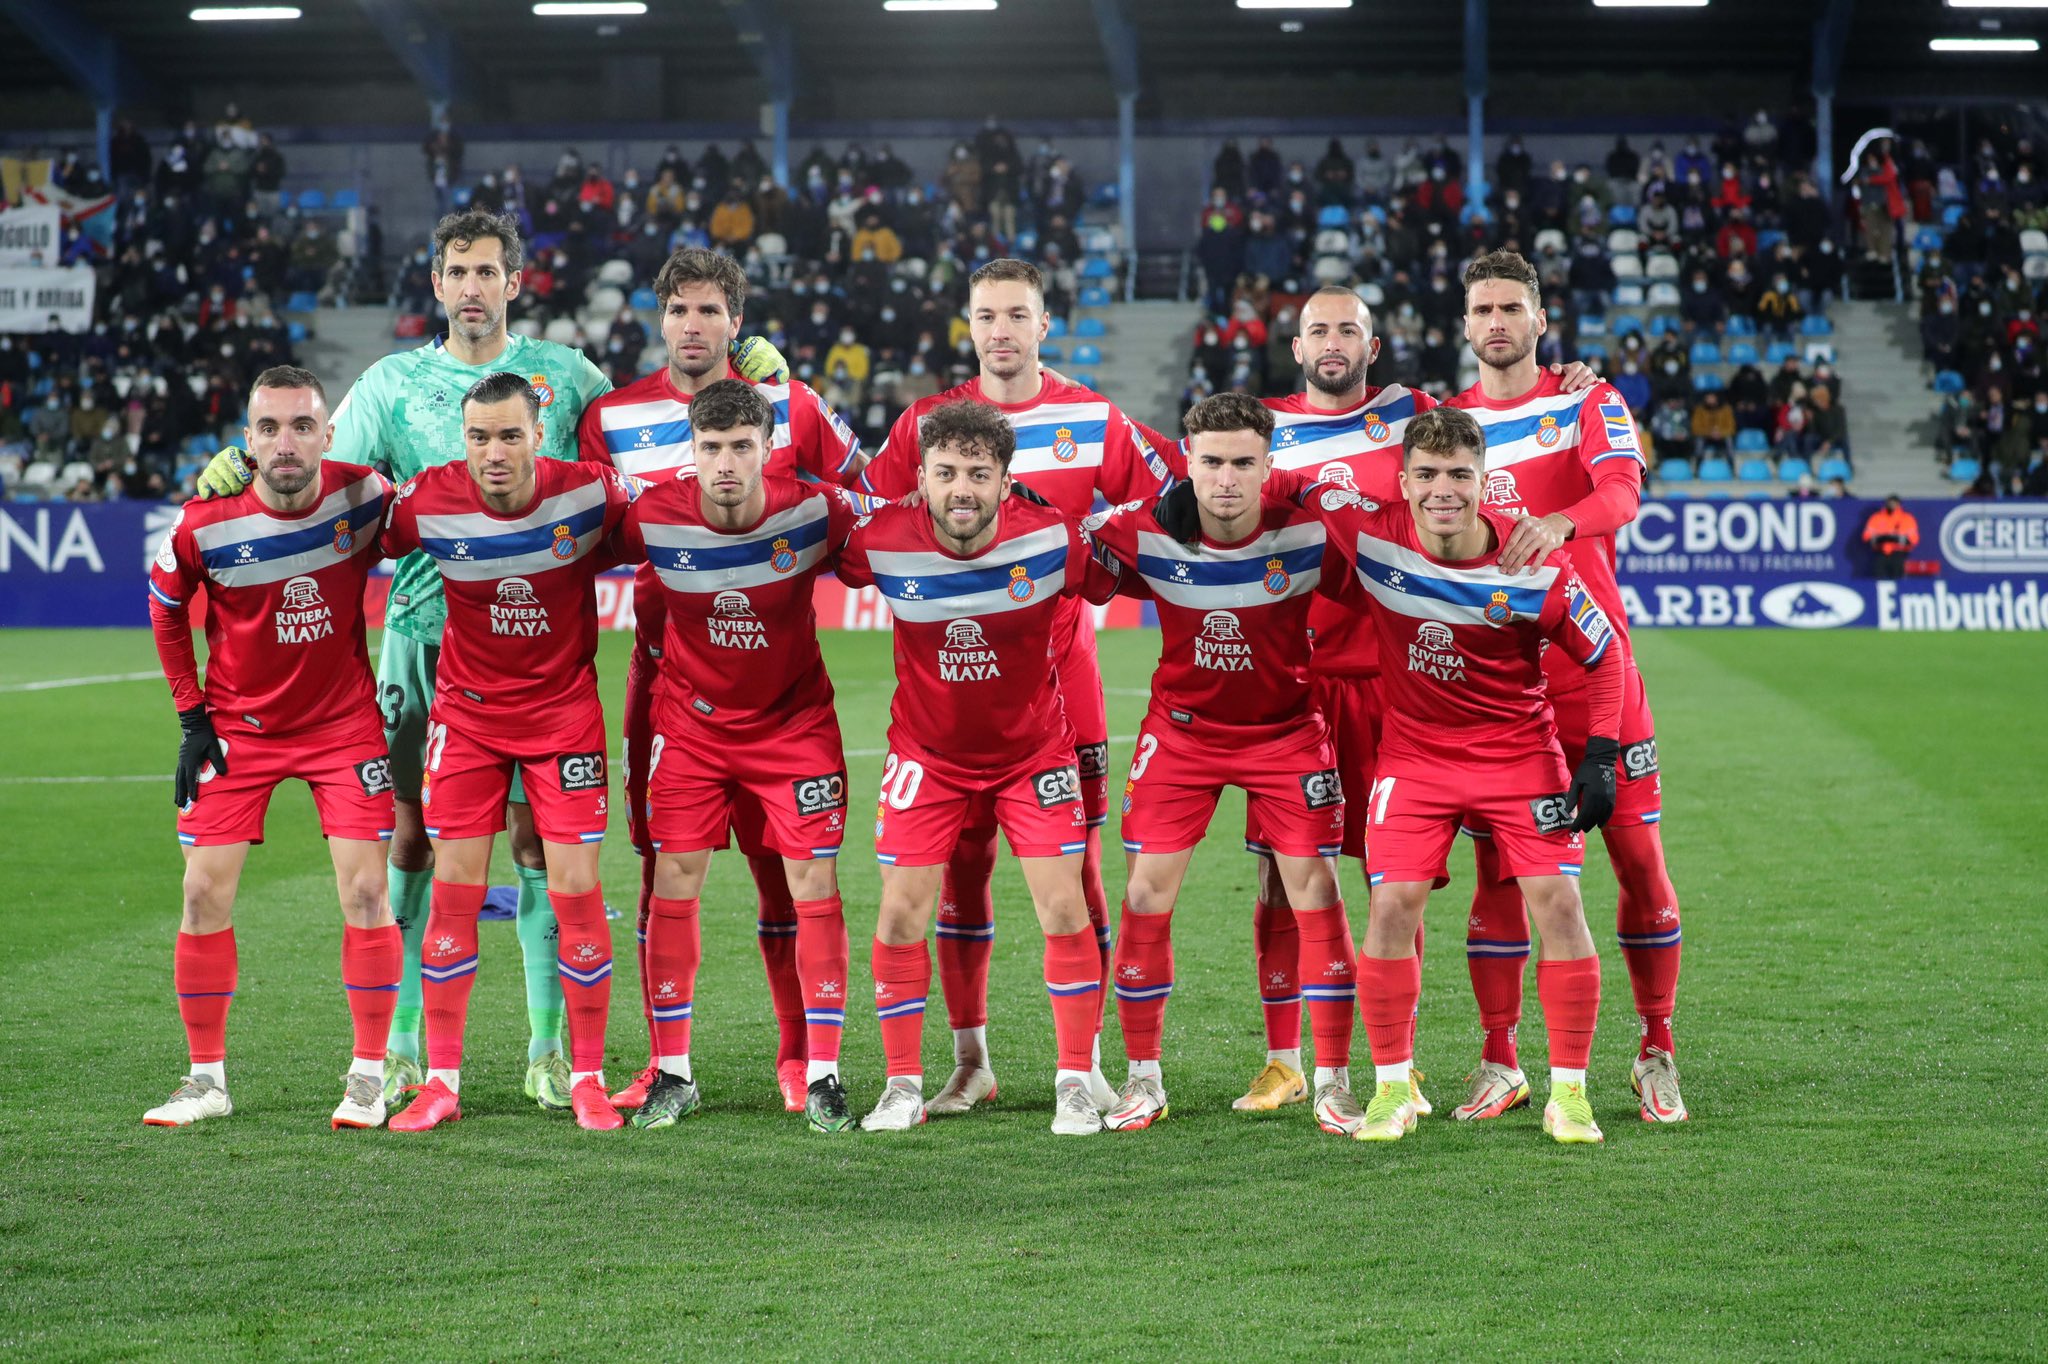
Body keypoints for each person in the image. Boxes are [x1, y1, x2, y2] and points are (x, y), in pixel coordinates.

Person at [1229, 285, 1601, 1118]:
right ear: (1295, 345)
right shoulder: (1262, 426)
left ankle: (1420, 1066)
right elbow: (1203, 468)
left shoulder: (1414, 416)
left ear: (1374, 343)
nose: (1333, 342)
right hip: (1297, 680)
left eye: (1348, 330)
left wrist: (1564, 380)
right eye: (1317, 329)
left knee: (1404, 878)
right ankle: (1286, 1059)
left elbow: (1488, 421)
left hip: (1402, 686)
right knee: (1281, 876)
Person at [855, 259, 1173, 1119]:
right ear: (969, 325)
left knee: (1077, 878)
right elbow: (863, 516)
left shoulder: (1092, 418)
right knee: (957, 876)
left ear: (1045, 324)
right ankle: (969, 1061)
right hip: (948, 696)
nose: (1001, 330)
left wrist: (1090, 528)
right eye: (986, 315)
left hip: (1059, 683)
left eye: (1017, 314)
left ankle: (1088, 1063)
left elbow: (1170, 501)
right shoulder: (927, 423)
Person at [578, 248, 858, 1116]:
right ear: (659, 318)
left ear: (737, 320)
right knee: (663, 866)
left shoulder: (791, 403)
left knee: (791, 875)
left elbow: (867, 489)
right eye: (679, 311)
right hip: (668, 686)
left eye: (710, 311)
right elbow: (576, 523)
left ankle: (802, 1062)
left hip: (779, 694)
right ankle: (669, 1064)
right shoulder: (612, 416)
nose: (693, 326)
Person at [1447, 249, 1687, 1125]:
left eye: (1514, 306)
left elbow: (1623, 491)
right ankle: (1500, 1058)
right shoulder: (1443, 425)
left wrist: (1561, 520)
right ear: (1465, 325)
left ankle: (1655, 1047)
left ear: (1541, 319)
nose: (1498, 322)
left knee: (1638, 859)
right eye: (1484, 309)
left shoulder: (1588, 400)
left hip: (1597, 673)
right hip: (1499, 685)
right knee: (1500, 872)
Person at [1080, 393, 1362, 1134]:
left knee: (1314, 891)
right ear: (1188, 462)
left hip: (1287, 732)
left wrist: (1315, 490)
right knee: (1145, 893)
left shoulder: (1309, 533)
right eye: (1211, 463)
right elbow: (1069, 541)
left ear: (1270, 466)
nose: (1227, 479)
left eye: (1244, 463)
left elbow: (1381, 581)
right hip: (1183, 735)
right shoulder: (1147, 529)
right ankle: (1144, 1079)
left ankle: (1330, 1079)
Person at [834, 399, 1110, 1135]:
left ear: (1005, 481)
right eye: (946, 472)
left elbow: (1125, 571)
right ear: (919, 476)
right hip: (928, 756)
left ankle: (1077, 1081)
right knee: (899, 912)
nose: (962, 488)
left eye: (979, 474)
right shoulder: (882, 539)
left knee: (1062, 906)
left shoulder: (1052, 537)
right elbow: (811, 528)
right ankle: (901, 1085)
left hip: (1033, 755)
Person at [377, 372, 638, 1132]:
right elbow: (344, 520)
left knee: (577, 891)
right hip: (468, 721)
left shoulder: (589, 492)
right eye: (479, 436)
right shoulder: (429, 496)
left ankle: (584, 1074)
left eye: (510, 435)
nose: (494, 452)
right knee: (454, 892)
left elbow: (680, 516)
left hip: (563, 723)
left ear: (538, 435)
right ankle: (442, 1081)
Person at [143, 366, 400, 1130]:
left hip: (343, 725)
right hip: (240, 730)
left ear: (327, 433)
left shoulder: (367, 498)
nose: (285, 443)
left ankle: (368, 1077)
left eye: (300, 426)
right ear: (246, 441)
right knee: (200, 894)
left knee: (364, 894)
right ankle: (206, 1080)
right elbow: (163, 607)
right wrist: (193, 719)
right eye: (268, 428)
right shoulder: (205, 519)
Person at [1862, 495, 1918, 578]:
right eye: (1890, 503)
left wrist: (1896, 538)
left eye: (1894, 503)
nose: (1892, 505)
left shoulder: (1906, 518)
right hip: (1881, 552)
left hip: (1899, 553)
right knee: (1878, 577)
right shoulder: (1877, 517)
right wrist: (1881, 538)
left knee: (1897, 578)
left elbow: (1913, 539)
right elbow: (1867, 536)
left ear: (1899, 504)